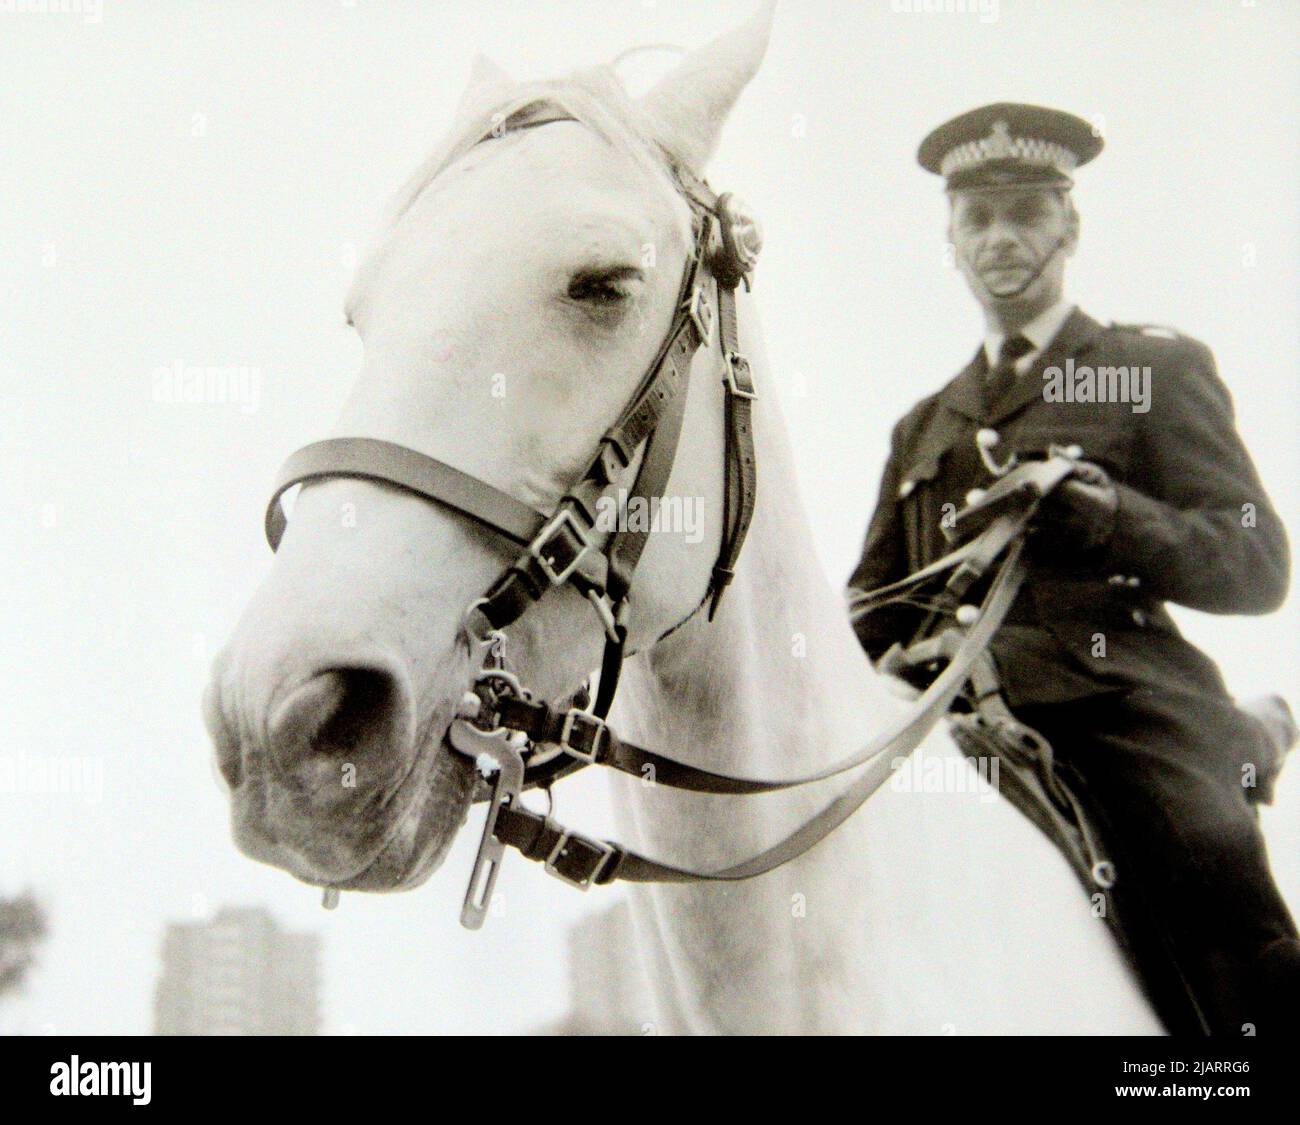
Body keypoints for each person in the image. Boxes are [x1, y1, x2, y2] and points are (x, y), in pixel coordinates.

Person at [848, 102, 1299, 1033]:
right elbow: (870, 602)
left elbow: (1257, 561)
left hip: (1114, 700)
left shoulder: (1150, 370)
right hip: (942, 705)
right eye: (978, 217)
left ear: (1071, 225)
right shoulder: (923, 425)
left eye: (1026, 211)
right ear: (952, 239)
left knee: (1211, 848)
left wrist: (1110, 516)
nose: (1002, 237)